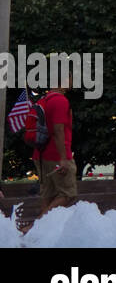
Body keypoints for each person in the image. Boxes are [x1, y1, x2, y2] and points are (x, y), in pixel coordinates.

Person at [30, 85, 77, 221]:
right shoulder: (60, 101)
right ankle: (35, 227)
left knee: (48, 195)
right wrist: (63, 158)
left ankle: (42, 233)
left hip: (40, 154)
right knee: (68, 194)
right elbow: (58, 130)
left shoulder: (43, 100)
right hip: (56, 155)